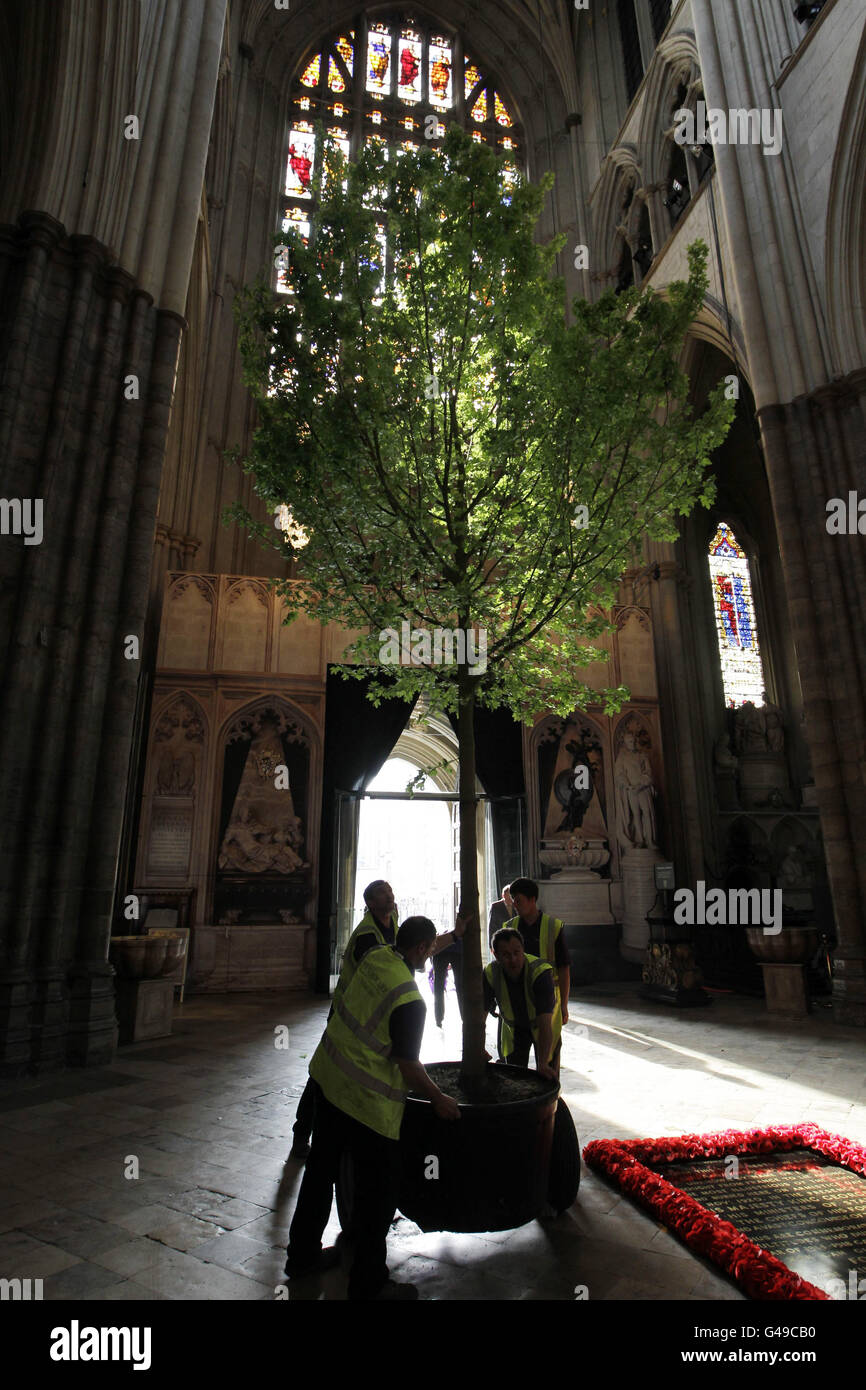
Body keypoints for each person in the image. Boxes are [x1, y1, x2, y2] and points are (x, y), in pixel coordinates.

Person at [285, 917, 461, 1300]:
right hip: (367, 1107)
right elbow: (409, 1066)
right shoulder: (410, 1001)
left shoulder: (376, 956)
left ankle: (301, 1257)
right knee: (376, 1198)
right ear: (421, 949)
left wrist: (455, 933)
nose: (430, 953)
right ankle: (368, 1284)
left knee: (319, 1173)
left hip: (329, 1080)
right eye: (429, 948)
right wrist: (438, 1098)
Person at [290, 881, 464, 1157]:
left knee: (335, 1068)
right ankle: (302, 1130)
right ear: (370, 903)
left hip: (375, 1011)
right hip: (353, 1010)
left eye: (390, 890)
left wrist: (454, 935)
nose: (390, 895)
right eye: (382, 893)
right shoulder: (367, 937)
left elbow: (418, 948)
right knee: (325, 1074)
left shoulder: (392, 923)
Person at [507, 877, 570, 1067]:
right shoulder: (509, 928)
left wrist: (564, 1005)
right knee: (516, 1064)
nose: (515, 905)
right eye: (513, 900)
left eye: (519, 900)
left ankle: (549, 1086)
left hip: (547, 1002)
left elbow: (564, 968)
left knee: (549, 1058)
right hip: (518, 1004)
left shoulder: (553, 927)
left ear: (532, 899)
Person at [483, 927, 559, 1078]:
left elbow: (545, 1024)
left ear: (523, 950)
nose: (513, 959)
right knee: (513, 1076)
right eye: (506, 955)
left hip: (545, 1026)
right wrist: (478, 1047)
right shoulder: (491, 973)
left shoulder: (540, 973)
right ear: (495, 954)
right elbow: (479, 1016)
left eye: (517, 953)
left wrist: (543, 1064)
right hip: (515, 1030)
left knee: (547, 1076)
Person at [487, 883, 514, 951]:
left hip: (513, 941)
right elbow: (491, 927)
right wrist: (491, 945)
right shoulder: (495, 907)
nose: (510, 898)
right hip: (500, 941)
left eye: (511, 896)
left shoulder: (516, 905)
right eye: (508, 896)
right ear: (503, 895)